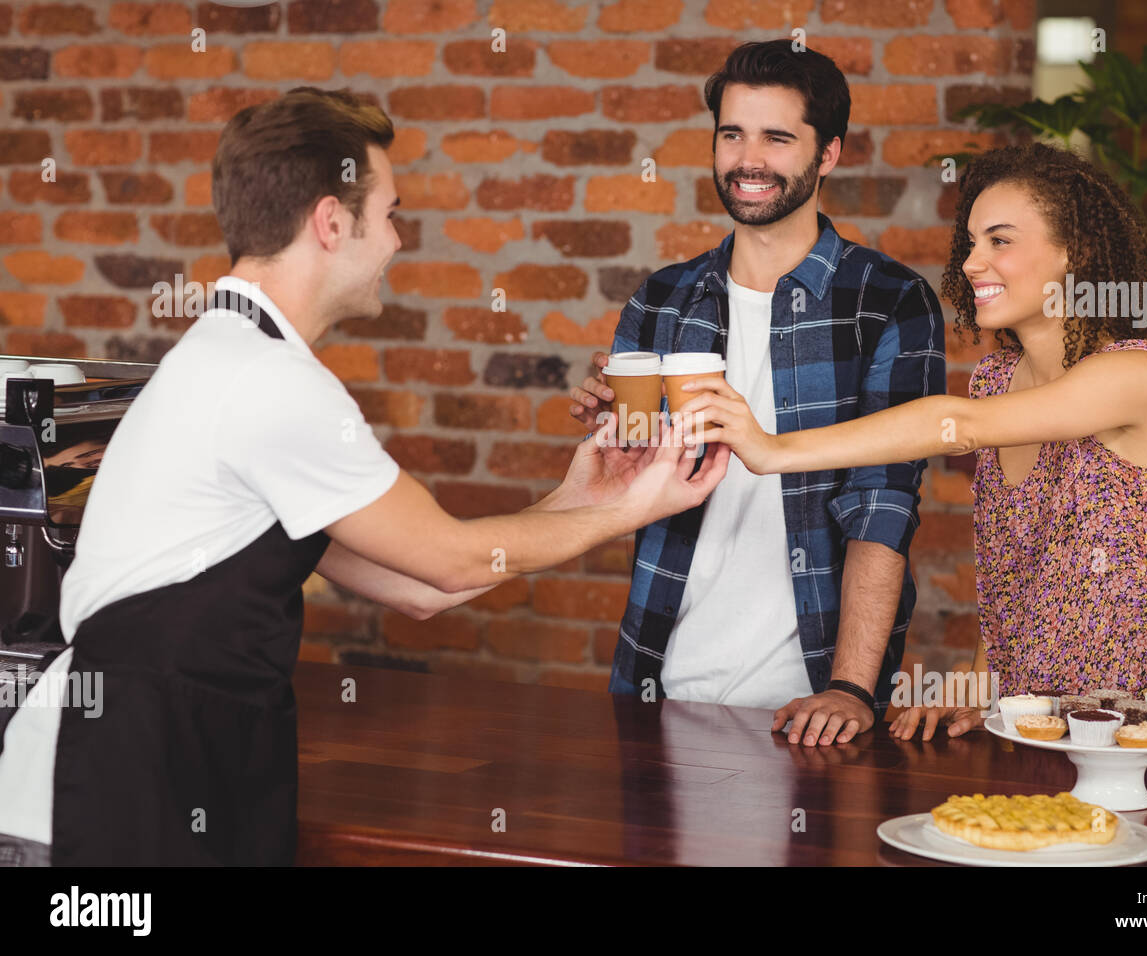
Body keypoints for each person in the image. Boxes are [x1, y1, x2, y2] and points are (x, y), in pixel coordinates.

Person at [0, 88, 728, 866]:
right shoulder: (267, 380)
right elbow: (447, 558)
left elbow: (419, 588)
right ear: (329, 221)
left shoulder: (227, 357)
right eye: (388, 213)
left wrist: (581, 498)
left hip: (155, 764)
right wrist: (635, 509)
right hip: (113, 784)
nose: (397, 241)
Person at [676, 142, 1147, 754]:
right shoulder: (997, 381)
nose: (973, 263)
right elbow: (1018, 567)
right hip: (1038, 724)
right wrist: (980, 682)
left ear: (1073, 253)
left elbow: (956, 424)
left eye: (1000, 241)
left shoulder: (1135, 375)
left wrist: (771, 449)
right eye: (971, 243)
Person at [569, 40, 945, 745]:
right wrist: (617, 437)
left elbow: (883, 501)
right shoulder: (662, 298)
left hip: (807, 703)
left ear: (827, 154)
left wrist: (851, 687)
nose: (749, 160)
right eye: (732, 134)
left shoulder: (889, 302)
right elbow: (630, 501)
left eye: (777, 138)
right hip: (658, 678)